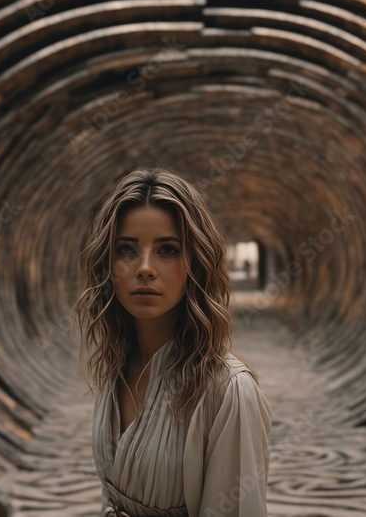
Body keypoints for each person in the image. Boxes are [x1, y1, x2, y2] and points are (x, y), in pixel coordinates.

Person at [72, 167, 272, 517]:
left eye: (167, 250)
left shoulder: (228, 393)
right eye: (127, 249)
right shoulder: (116, 367)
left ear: (196, 263)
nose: (145, 268)